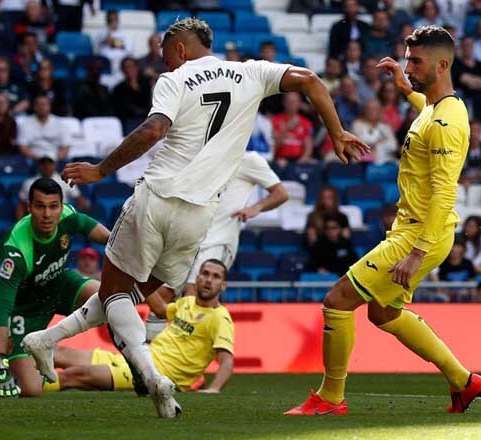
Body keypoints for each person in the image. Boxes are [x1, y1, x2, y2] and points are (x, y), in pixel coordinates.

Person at [22, 17, 368, 418]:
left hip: (157, 197)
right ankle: (46, 340)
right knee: (131, 295)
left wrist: (101, 170)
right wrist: (336, 132)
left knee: (116, 293)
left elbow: (152, 130)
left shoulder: (176, 79)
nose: (163, 61)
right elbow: (310, 80)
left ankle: (151, 375)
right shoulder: (252, 72)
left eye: (164, 52)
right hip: (198, 217)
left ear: (181, 48)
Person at [286, 25, 481, 417]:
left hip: (419, 235)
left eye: (416, 62)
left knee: (337, 302)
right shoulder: (439, 107)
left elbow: (445, 192)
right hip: (417, 230)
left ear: (442, 65)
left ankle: (330, 398)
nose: (409, 67)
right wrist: (405, 87)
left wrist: (417, 253)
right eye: (408, 60)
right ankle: (463, 381)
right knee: (383, 313)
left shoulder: (446, 122)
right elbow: (427, 112)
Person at [0, 177, 111, 398]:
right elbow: (1, 308)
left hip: (59, 285)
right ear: (29, 208)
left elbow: (108, 238)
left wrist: (130, 247)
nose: (47, 214)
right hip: (25, 311)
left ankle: (137, 368)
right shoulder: (16, 250)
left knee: (109, 298)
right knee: (31, 390)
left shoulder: (69, 216)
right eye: (40, 207)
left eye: (53, 206)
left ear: (61, 207)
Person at [146, 151, 288, 337]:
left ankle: (184, 348)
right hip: (190, 238)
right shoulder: (204, 155)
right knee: (164, 294)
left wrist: (256, 208)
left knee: (194, 294)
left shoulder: (249, 160)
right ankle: (148, 346)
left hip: (218, 239)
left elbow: (281, 193)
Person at [56, 259, 234, 393]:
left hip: (156, 375)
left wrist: (214, 389)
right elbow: (160, 309)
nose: (209, 280)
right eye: (205, 274)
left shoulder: (220, 318)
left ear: (223, 286)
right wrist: (138, 278)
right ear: (197, 278)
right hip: (141, 358)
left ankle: (36, 388)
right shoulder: (187, 303)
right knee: (60, 353)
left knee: (73, 375)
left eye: (216, 277)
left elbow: (226, 360)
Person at [16, 155, 90, 219]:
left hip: (62, 218)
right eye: (43, 164)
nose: (46, 166)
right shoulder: (29, 183)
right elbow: (21, 205)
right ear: (39, 165)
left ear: (55, 165)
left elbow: (80, 201)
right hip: (37, 219)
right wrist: (19, 222)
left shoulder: (65, 180)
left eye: (49, 163)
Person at [18, 95, 69, 161]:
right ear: (34, 107)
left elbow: (65, 148)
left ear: (50, 106)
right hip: (34, 160)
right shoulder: (25, 124)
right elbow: (23, 147)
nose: (41, 107)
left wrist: (54, 160)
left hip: (55, 160)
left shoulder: (60, 123)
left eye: (44, 104)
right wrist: (41, 160)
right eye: (39, 105)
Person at [272, 92, 315, 166]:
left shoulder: (306, 123)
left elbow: (308, 147)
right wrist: (287, 128)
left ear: (299, 103)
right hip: (280, 160)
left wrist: (300, 162)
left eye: (294, 102)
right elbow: (273, 146)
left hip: (298, 161)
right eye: (288, 102)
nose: (291, 105)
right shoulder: (276, 120)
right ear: (284, 103)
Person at [351, 98, 397, 164]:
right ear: (364, 110)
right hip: (361, 162)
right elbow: (357, 143)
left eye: (374, 109)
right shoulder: (357, 125)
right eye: (369, 109)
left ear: (380, 111)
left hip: (383, 162)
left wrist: (377, 146)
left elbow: (393, 145)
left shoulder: (385, 127)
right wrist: (379, 141)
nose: (371, 111)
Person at [112, 57, 152, 132]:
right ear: (123, 70)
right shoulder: (119, 89)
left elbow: (148, 103)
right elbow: (123, 108)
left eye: (132, 66)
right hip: (129, 120)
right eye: (127, 67)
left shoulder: (146, 85)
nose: (130, 69)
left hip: (146, 118)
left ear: (137, 68)